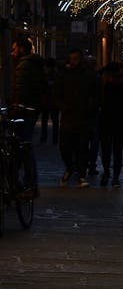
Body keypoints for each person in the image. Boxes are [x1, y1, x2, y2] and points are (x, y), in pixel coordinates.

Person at [54, 47, 98, 188]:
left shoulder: (88, 75)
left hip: (83, 116)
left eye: (76, 59)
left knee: (82, 148)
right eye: (72, 59)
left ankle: (81, 175)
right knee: (65, 147)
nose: (74, 62)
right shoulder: (63, 75)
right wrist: (62, 106)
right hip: (68, 116)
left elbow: (97, 94)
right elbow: (56, 93)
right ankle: (70, 167)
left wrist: (90, 106)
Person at [9, 36, 47, 196]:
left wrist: (17, 106)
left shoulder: (23, 66)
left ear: (22, 49)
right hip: (31, 111)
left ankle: (29, 184)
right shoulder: (34, 64)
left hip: (24, 112)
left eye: (14, 49)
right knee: (21, 147)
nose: (12, 53)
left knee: (23, 147)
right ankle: (18, 183)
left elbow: (21, 90)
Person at [98, 62, 123, 189]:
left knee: (107, 151)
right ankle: (114, 176)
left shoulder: (104, 84)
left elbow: (99, 103)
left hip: (107, 121)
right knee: (116, 151)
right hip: (119, 121)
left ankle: (109, 173)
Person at [40, 57, 60, 145]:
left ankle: (45, 137)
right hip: (52, 101)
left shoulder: (45, 76)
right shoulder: (56, 75)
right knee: (54, 121)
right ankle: (54, 139)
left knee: (45, 120)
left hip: (47, 101)